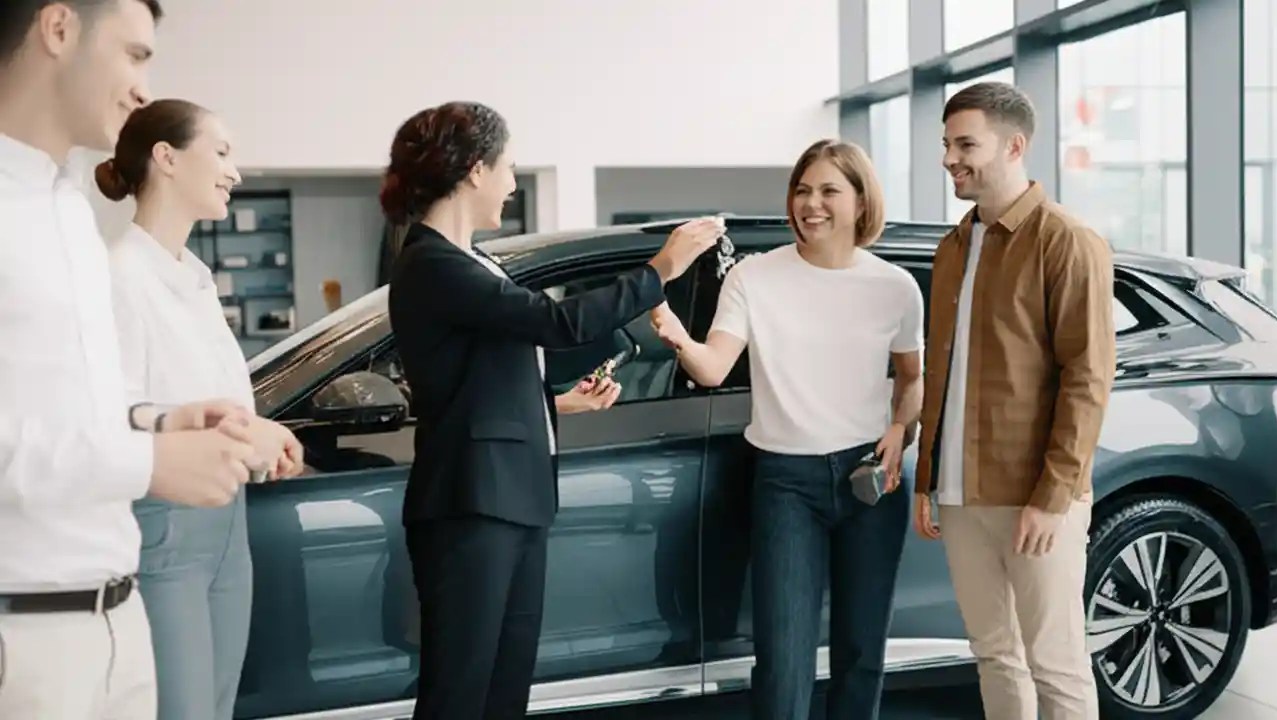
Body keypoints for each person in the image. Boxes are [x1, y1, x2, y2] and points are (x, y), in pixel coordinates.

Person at [383, 100, 723, 719]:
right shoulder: (431, 263)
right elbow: (555, 322)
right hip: (469, 503)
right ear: (474, 169)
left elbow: (481, 373)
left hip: (511, 498)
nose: (514, 184)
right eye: (509, 167)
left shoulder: (471, 261)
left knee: (504, 687)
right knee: (460, 691)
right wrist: (661, 269)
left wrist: (552, 403)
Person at [0, 1, 271, 718]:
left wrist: (165, 416)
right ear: (59, 30)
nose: (143, 89)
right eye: (135, 55)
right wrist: (148, 462)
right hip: (26, 630)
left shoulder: (65, 214)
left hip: (111, 613)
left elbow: (75, 403)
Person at [650, 138, 924, 720]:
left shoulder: (896, 286)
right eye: (802, 190)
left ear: (859, 201)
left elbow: (913, 377)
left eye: (828, 190)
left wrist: (902, 426)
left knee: (861, 652)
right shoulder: (755, 276)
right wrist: (674, 332)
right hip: (784, 481)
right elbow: (714, 366)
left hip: (870, 480)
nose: (811, 203)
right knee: (782, 658)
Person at [96, 98, 306, 720]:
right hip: (165, 521)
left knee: (215, 707)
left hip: (227, 522)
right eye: (220, 152)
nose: (234, 172)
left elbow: (215, 396)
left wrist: (261, 431)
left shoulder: (192, 275)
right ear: (166, 158)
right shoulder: (118, 274)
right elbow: (117, 410)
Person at [913, 81, 1114, 720]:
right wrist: (927, 478)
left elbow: (1087, 378)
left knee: (1055, 664)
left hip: (1035, 496)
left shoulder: (1067, 240)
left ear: (1014, 145)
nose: (950, 158)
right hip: (959, 492)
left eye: (965, 144)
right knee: (993, 652)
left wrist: (1052, 499)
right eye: (947, 144)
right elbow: (941, 372)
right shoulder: (951, 248)